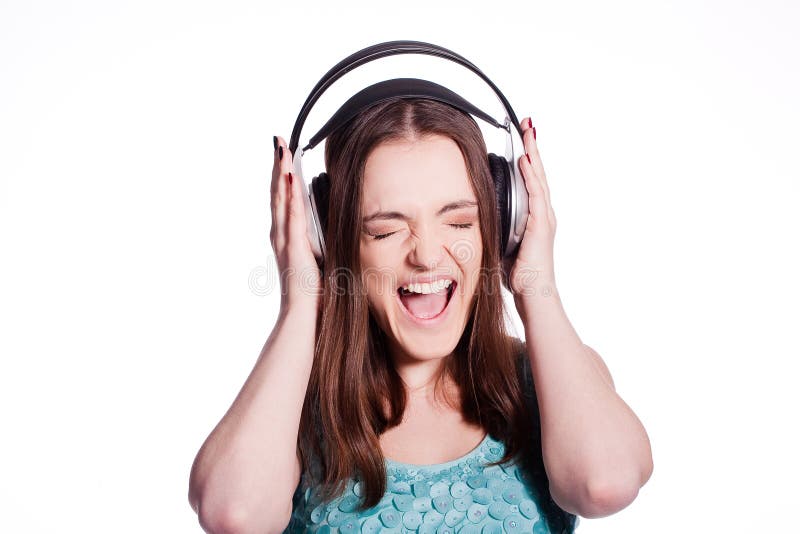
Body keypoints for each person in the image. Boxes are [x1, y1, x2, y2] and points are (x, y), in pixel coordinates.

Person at [188, 97, 653, 534]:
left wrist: (537, 289)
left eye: (458, 221)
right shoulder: (294, 406)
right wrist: (301, 302)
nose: (428, 256)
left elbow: (604, 484)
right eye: (387, 230)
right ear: (330, 240)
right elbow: (235, 513)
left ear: (503, 223)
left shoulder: (550, 377)